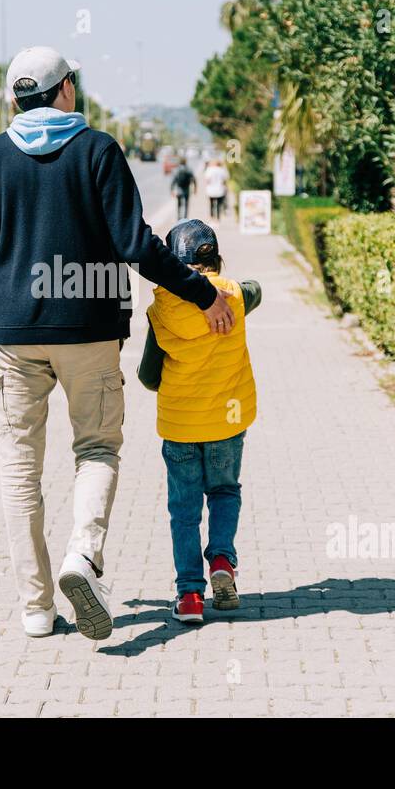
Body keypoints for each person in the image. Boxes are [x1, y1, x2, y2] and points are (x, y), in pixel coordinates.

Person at [0, 46, 236, 641]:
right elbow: (138, 245)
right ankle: (83, 557)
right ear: (66, 91)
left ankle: (35, 608)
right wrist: (201, 292)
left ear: (13, 100)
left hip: (12, 336)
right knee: (97, 449)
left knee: (18, 471)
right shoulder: (99, 150)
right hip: (89, 331)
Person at [137, 219, 261, 624]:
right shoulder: (236, 297)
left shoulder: (161, 311)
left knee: (184, 510)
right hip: (226, 423)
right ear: (217, 257)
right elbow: (256, 288)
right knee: (224, 490)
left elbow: (148, 376)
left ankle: (190, 596)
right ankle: (222, 558)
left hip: (181, 427)